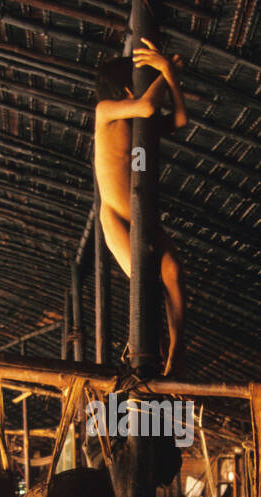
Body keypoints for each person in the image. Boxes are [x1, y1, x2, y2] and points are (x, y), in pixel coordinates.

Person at [94, 38, 188, 376]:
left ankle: (176, 355)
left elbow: (179, 120)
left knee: (174, 270)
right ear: (125, 88)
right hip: (117, 217)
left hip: (145, 219)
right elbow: (149, 105)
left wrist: (170, 76)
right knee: (146, 283)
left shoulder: (139, 129)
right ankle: (145, 354)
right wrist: (166, 70)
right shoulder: (104, 111)